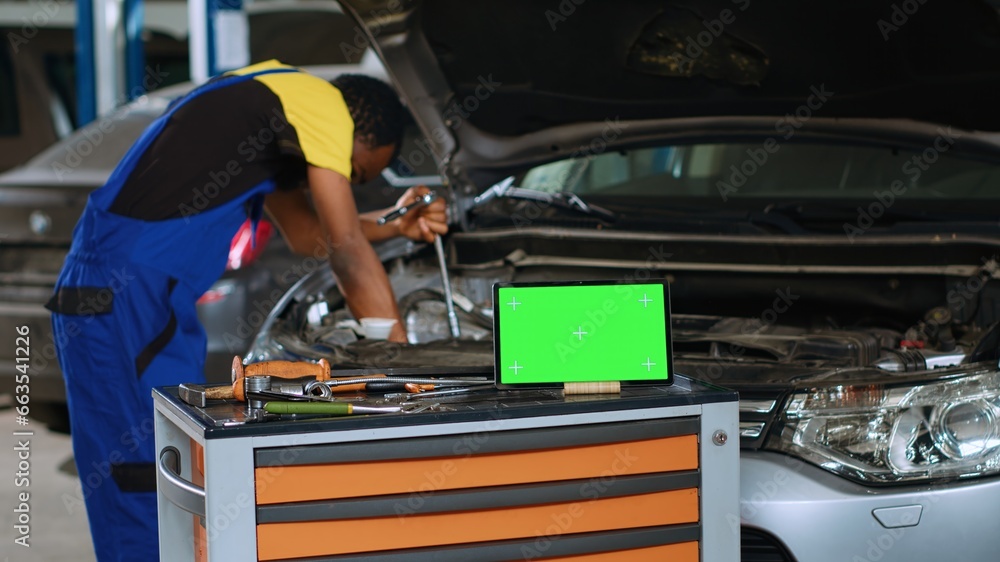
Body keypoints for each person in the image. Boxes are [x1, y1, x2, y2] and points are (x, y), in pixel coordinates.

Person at [45, 59, 446, 561]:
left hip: (128, 292)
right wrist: (399, 364)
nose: (347, 184)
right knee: (143, 476)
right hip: (124, 296)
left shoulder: (270, 102)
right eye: (355, 173)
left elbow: (307, 235)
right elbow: (344, 247)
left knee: (170, 472)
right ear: (353, 132)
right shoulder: (324, 108)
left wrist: (396, 223)